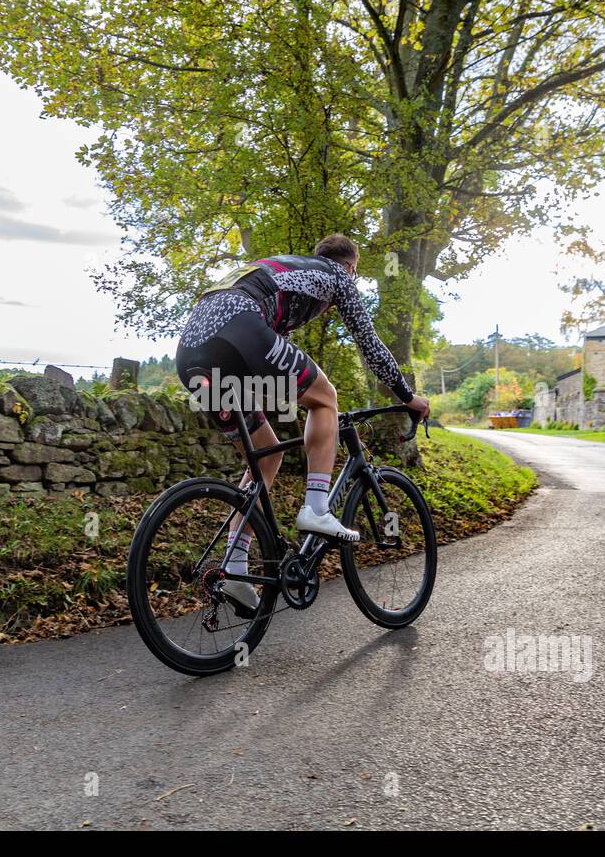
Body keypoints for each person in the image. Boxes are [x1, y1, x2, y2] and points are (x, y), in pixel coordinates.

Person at [175, 233, 430, 616]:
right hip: (238, 327)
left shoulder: (283, 269)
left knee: (264, 459)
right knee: (324, 398)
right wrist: (407, 397)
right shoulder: (337, 275)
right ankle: (315, 507)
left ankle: (236, 567)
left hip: (191, 350)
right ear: (349, 268)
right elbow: (370, 343)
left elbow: (268, 359)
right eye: (355, 274)